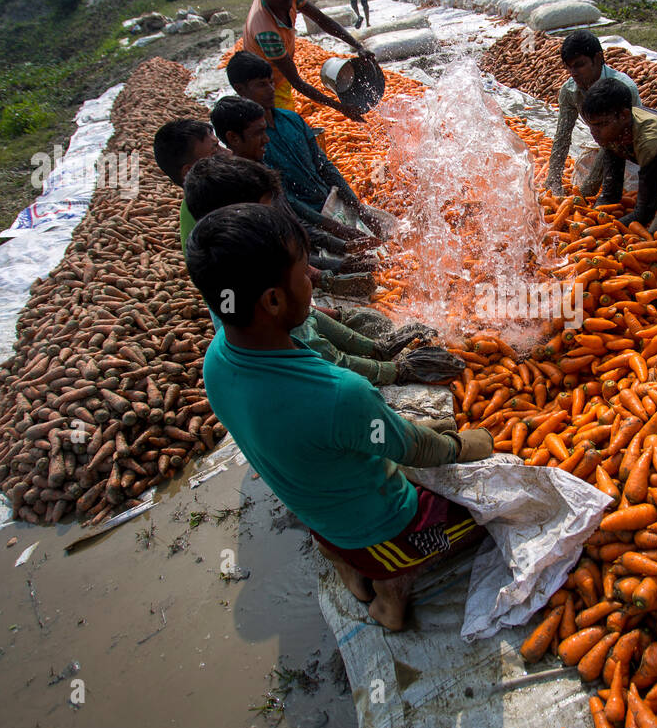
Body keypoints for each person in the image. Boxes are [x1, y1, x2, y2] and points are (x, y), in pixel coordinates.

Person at [186, 202, 494, 629]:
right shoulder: (340, 395)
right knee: (485, 516)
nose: (313, 279)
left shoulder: (217, 362)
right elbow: (414, 448)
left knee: (342, 462)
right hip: (380, 531)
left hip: (314, 512)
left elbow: (326, 432)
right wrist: (461, 445)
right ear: (273, 300)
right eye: (305, 272)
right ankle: (389, 597)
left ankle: (343, 564)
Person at [183, 155, 432, 387]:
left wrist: (362, 336)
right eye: (304, 275)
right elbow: (325, 356)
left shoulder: (240, 264)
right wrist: (394, 371)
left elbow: (305, 316)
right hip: (293, 380)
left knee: (368, 322)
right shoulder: (261, 312)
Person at [225, 50, 388, 239]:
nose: (271, 89)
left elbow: (324, 166)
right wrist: (333, 229)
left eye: (271, 82)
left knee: (388, 234)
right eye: (262, 85)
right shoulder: (249, 142)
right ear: (240, 89)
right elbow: (284, 198)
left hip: (328, 203)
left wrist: (359, 208)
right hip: (301, 224)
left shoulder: (292, 120)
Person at [209, 93, 378, 262]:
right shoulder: (237, 189)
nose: (267, 139)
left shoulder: (260, 168)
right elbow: (279, 247)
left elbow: (293, 222)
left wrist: (341, 245)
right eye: (259, 133)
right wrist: (331, 266)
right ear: (233, 138)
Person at [244, 0, 372, 116]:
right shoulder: (266, 31)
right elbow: (297, 82)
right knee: (282, 125)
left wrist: (357, 45)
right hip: (265, 84)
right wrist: (340, 107)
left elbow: (322, 20)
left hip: (280, 73)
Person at [579, 77, 657, 226]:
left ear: (623, 115)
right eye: (590, 126)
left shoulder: (651, 141)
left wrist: (609, 227)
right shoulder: (613, 129)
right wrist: (591, 216)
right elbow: (611, 194)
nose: (594, 133)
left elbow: (645, 212)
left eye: (599, 125)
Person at [545, 30, 643, 198]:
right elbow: (562, 136)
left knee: (632, 186)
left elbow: (615, 140)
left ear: (597, 59)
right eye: (569, 67)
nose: (573, 73)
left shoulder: (624, 88)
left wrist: (588, 190)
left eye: (579, 65)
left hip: (632, 146)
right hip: (604, 143)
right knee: (581, 167)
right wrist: (553, 180)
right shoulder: (570, 91)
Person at [153, 118, 230, 249]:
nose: (229, 153)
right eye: (215, 151)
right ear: (191, 171)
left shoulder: (222, 196)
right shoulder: (208, 219)